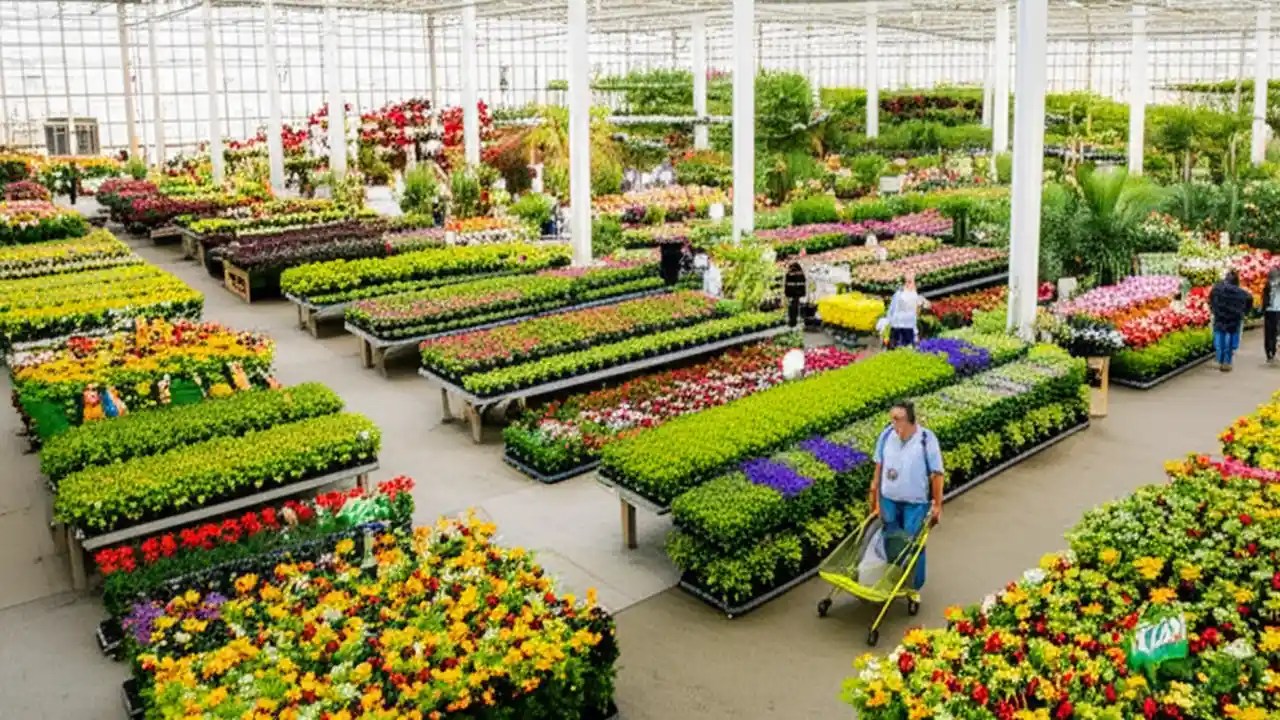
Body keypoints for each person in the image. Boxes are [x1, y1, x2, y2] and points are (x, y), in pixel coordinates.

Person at [868, 400, 944, 595]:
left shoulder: (926, 439)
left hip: (915, 504)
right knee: (891, 540)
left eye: (898, 419)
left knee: (913, 543)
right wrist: (875, 497)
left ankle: (912, 587)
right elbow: (878, 468)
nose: (894, 423)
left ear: (910, 420)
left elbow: (937, 474)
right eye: (892, 419)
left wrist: (937, 505)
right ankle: (893, 578)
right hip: (889, 500)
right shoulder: (886, 435)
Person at [1209, 269, 1254, 372]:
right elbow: (1249, 300)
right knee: (1231, 341)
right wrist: (1245, 312)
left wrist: (1214, 309)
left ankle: (1220, 358)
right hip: (1234, 318)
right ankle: (1227, 361)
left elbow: (1211, 298)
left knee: (1219, 337)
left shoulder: (1217, 289)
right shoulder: (1242, 293)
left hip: (1220, 317)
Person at [885, 272, 929, 348]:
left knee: (908, 347)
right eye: (909, 282)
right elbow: (893, 312)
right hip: (900, 327)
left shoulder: (913, 294)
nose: (913, 285)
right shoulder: (899, 295)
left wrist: (921, 305)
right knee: (900, 346)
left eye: (913, 282)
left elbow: (917, 312)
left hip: (908, 327)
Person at [1263, 267, 1280, 364]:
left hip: (1269, 311)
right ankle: (1273, 351)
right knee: (1276, 332)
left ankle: (1269, 352)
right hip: (1278, 311)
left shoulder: (1267, 284)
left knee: (1269, 332)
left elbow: (1264, 299)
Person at [784, 262, 807, 327]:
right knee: (794, 307)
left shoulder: (789, 273)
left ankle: (792, 321)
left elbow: (787, 284)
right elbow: (803, 283)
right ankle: (793, 321)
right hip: (796, 294)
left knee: (792, 307)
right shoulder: (800, 273)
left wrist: (786, 293)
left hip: (792, 293)